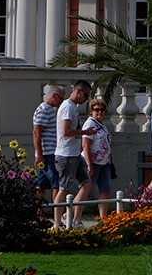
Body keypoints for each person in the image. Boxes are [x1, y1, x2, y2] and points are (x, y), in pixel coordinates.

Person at [54, 80, 92, 227]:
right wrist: (85, 132)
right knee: (64, 189)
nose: (86, 99)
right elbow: (66, 131)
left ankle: (75, 220)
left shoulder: (73, 107)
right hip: (66, 154)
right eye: (86, 95)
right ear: (78, 91)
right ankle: (57, 223)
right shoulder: (68, 107)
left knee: (87, 184)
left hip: (74, 154)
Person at [32, 85, 65, 202]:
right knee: (56, 183)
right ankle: (56, 212)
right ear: (54, 96)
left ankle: (39, 214)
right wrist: (40, 154)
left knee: (41, 185)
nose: (61, 102)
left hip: (46, 153)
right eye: (60, 99)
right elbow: (36, 132)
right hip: (47, 153)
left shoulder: (47, 109)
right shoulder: (45, 109)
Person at [81, 97, 113, 218]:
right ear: (92, 111)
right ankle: (69, 215)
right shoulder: (90, 123)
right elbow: (85, 144)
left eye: (102, 109)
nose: (99, 112)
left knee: (105, 191)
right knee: (86, 192)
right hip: (92, 162)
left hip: (104, 163)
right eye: (97, 109)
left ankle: (103, 219)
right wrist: (89, 165)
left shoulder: (102, 125)